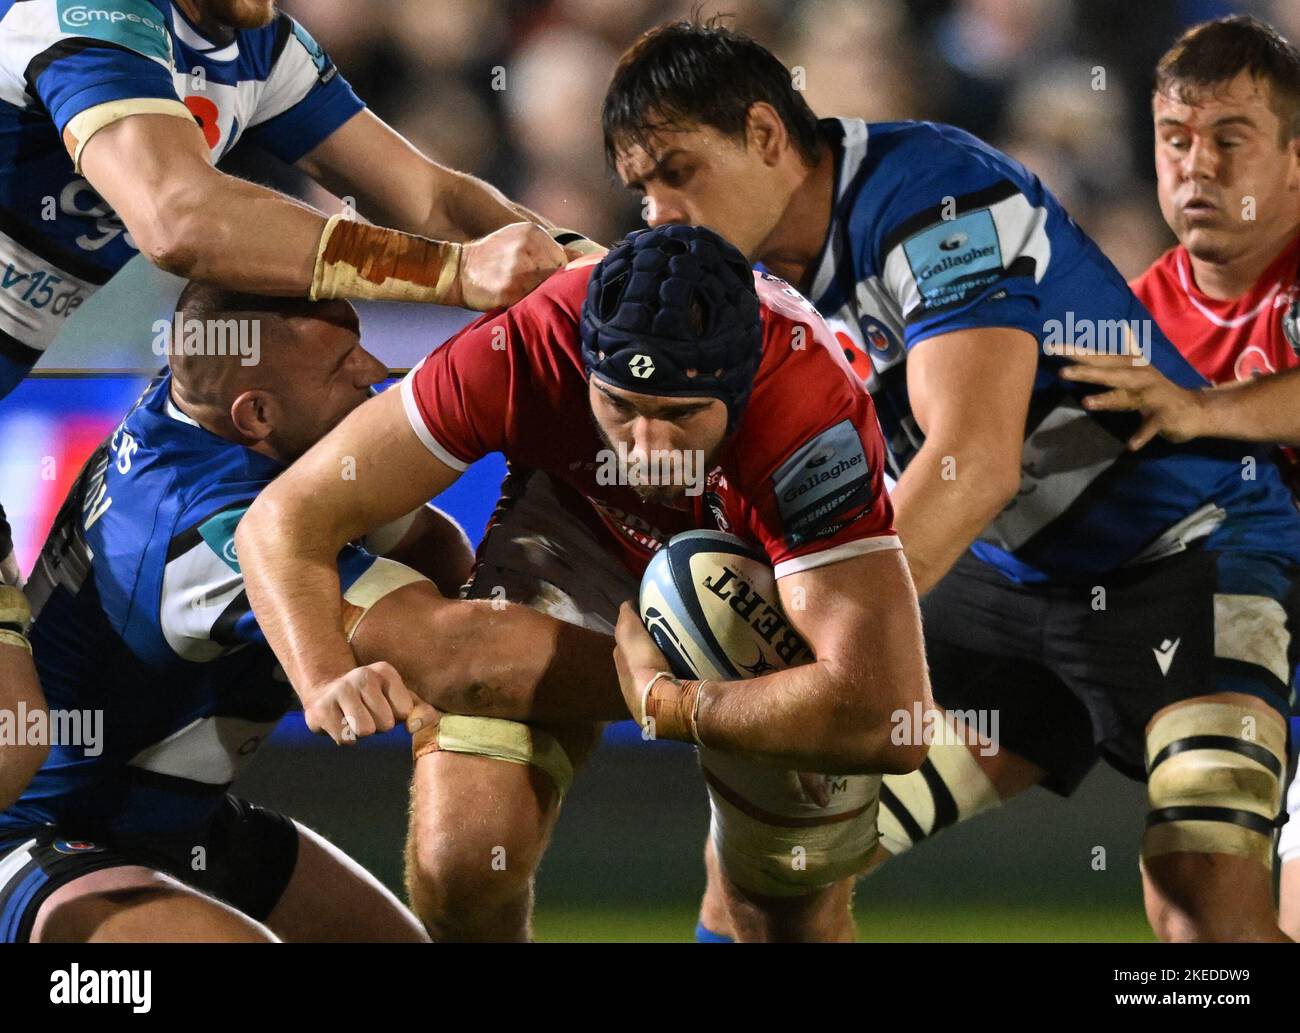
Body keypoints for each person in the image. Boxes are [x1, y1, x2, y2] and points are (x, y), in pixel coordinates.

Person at [602, 18, 1300, 941]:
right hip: (1002, 582)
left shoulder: (939, 199)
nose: (660, 212)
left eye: (677, 171)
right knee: (778, 867)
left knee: (1200, 889)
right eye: (640, 190)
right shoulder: (735, 287)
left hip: (1189, 558)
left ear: (768, 135)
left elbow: (972, 460)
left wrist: (831, 655)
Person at [236, 223, 933, 943]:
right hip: (577, 527)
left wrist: (679, 706)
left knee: (781, 908)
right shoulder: (529, 342)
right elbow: (283, 521)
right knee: (462, 864)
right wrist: (319, 675)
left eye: (680, 415)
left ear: (742, 382)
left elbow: (888, 715)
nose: (648, 449)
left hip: (751, 565)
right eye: (621, 407)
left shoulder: (808, 408)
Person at [0, 282, 620, 942]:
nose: (375, 370)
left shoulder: (208, 412)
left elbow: (434, 550)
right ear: (258, 412)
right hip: (49, 836)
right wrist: (690, 688)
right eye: (342, 363)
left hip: (180, 822)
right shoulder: (203, 532)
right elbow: (455, 652)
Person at [0, 0, 598, 580]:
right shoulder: (86, 8)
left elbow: (431, 198)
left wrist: (596, 274)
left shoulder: (260, 45)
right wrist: (453, 273)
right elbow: (178, 220)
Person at [1055, 16, 1300, 940]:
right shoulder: (1137, 323)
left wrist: (1206, 409)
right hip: (1251, 654)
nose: (1196, 167)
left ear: (1295, 158)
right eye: (1175, 140)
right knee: (1199, 908)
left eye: (1230, 141)